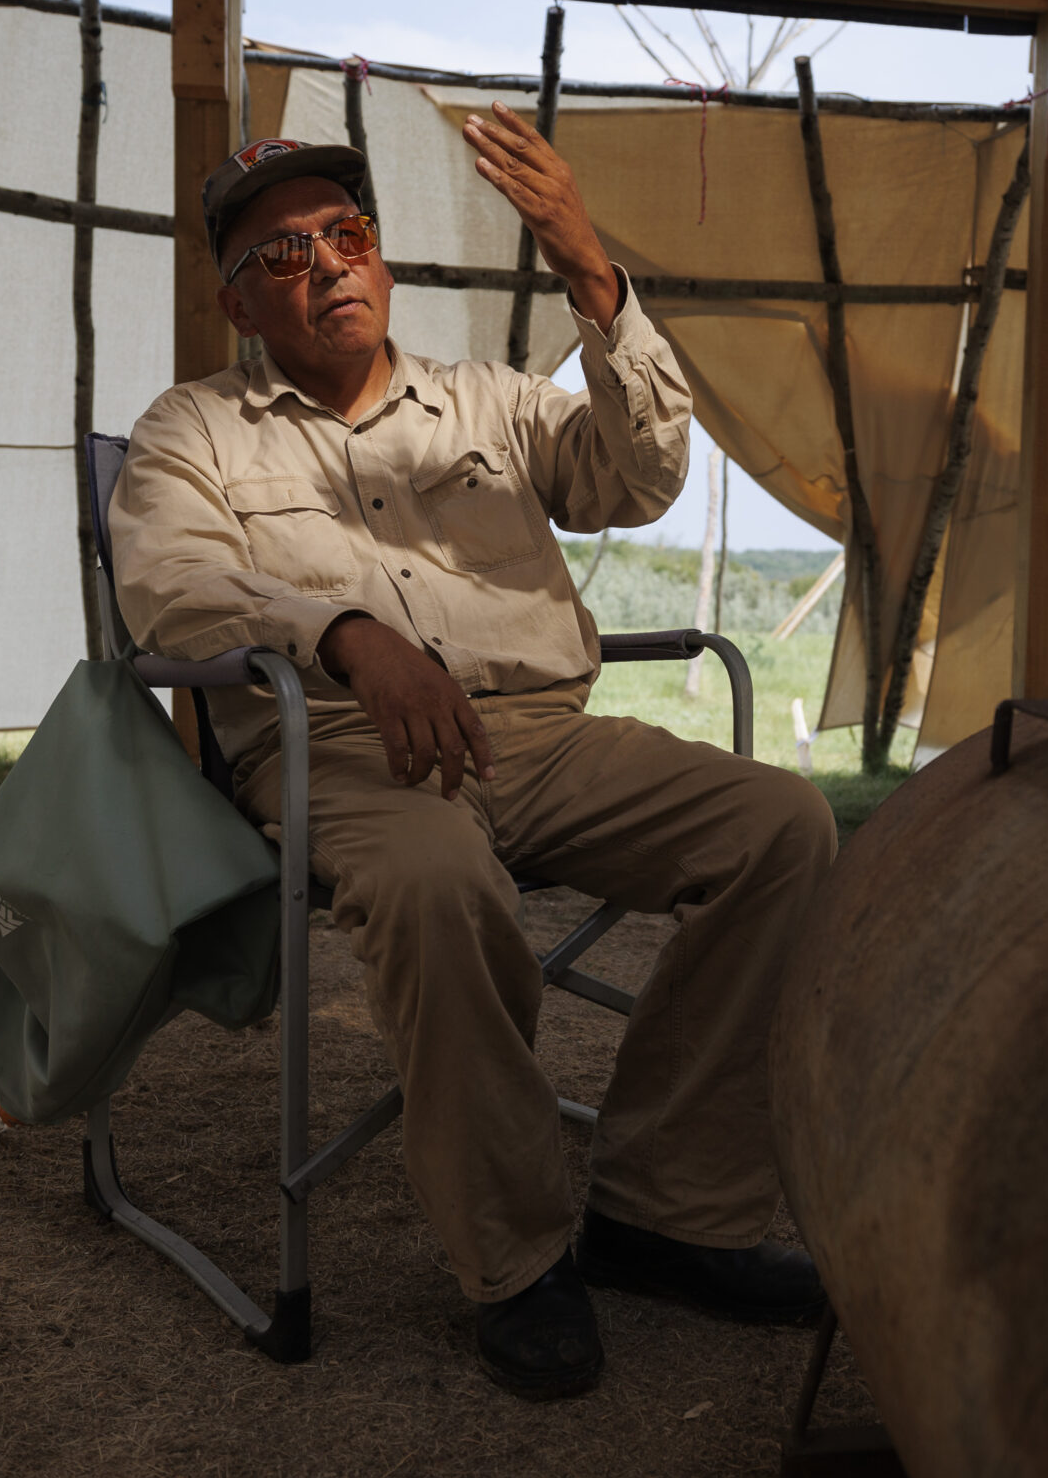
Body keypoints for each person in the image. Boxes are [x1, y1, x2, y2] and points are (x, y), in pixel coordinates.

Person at [108, 113, 836, 1400]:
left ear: (382, 260)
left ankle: (663, 1211)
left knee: (781, 828)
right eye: (284, 252)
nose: (327, 263)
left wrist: (589, 273)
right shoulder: (192, 432)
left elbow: (640, 478)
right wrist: (348, 638)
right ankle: (520, 1260)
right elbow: (170, 592)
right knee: (439, 881)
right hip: (338, 752)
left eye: (348, 234)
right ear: (236, 298)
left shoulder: (493, 402)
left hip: (540, 737)